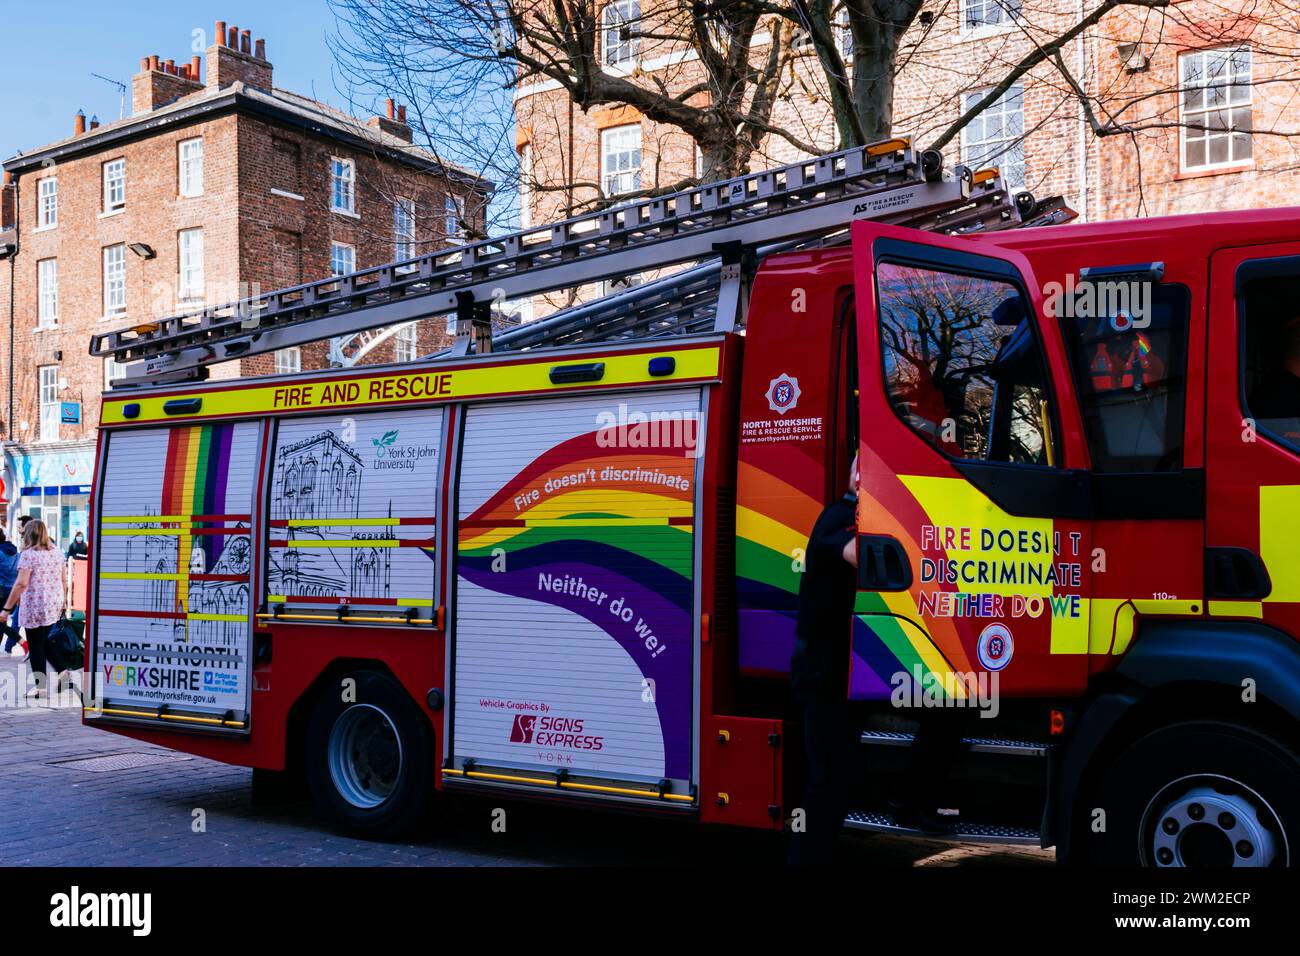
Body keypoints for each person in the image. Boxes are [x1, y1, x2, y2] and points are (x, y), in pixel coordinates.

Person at [788, 456, 861, 866]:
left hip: (842, 676)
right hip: (821, 676)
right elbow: (861, 555)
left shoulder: (851, 514)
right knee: (824, 782)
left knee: (838, 780)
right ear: (856, 475)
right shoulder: (838, 516)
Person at [0, 520, 66, 699]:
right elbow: (63, 579)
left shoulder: (28, 555)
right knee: (43, 641)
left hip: (34, 604)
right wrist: (64, 601)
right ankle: (62, 671)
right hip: (53, 603)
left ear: (29, 534)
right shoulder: (57, 552)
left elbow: (21, 583)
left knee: (36, 646)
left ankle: (41, 688)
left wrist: (6, 609)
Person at [0, 527, 21, 656]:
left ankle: (21, 642)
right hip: (13, 592)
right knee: (3, 621)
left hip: (1, 590)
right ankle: (19, 642)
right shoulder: (16, 553)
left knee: (2, 621)